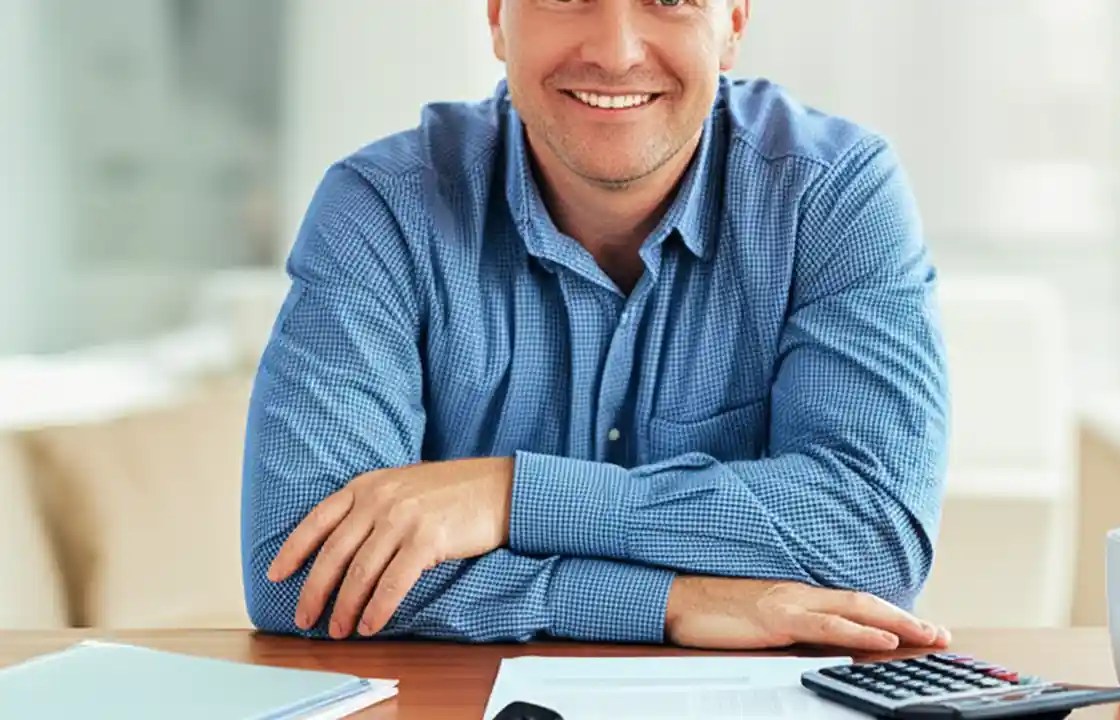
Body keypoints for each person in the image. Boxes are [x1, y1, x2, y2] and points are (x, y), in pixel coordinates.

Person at [241, 0, 951, 653]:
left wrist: (510, 496)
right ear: (497, 19)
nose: (615, 53)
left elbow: (874, 537)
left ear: (732, 22)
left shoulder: (834, 194)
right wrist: (671, 602)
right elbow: (303, 574)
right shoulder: (382, 209)